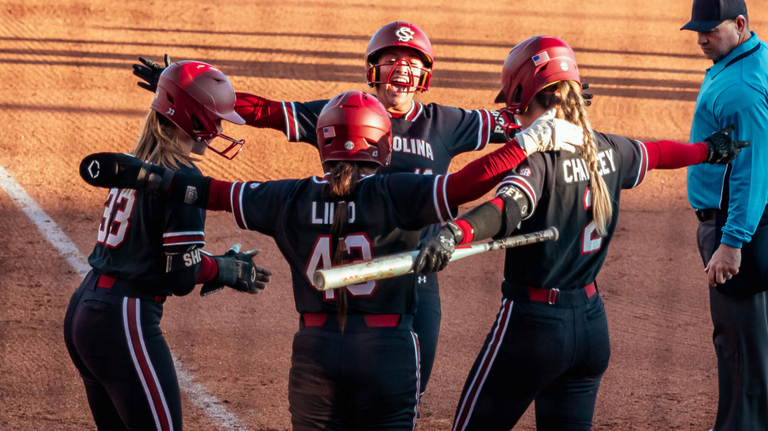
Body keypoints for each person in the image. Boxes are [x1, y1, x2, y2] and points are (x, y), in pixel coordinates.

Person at [130, 22, 594, 397]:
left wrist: (553, 95)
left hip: (414, 278)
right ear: (373, 68)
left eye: (411, 63)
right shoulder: (342, 112)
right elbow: (269, 111)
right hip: (342, 285)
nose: (400, 70)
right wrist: (194, 94)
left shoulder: (447, 122)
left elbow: (517, 119)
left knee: (404, 393)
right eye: (391, 60)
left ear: (425, 74)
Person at [78, 89, 586, 429]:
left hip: (314, 352)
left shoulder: (287, 198)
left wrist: (154, 178)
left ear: (323, 141)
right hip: (388, 352)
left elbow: (210, 192)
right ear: (381, 142)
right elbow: (467, 183)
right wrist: (526, 142)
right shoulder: (399, 194)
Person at [414, 35, 747, 431]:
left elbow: (503, 211)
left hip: (532, 330)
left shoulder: (540, 162)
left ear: (522, 93)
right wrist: (708, 151)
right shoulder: (610, 149)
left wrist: (455, 232)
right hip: (591, 328)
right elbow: (658, 153)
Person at [64, 60, 271, 431]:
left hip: (85, 308)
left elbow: (152, 253)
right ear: (195, 120)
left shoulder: (132, 163)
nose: (220, 127)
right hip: (123, 320)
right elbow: (180, 278)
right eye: (215, 118)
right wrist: (222, 268)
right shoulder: (183, 180)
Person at [681, 0, 768, 429]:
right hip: (754, 220)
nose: (701, 38)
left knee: (740, 345)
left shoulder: (741, 88)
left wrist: (731, 243)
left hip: (737, 225)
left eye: (709, 31)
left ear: (739, 24)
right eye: (696, 30)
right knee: (755, 342)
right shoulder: (754, 55)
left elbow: (751, 169)